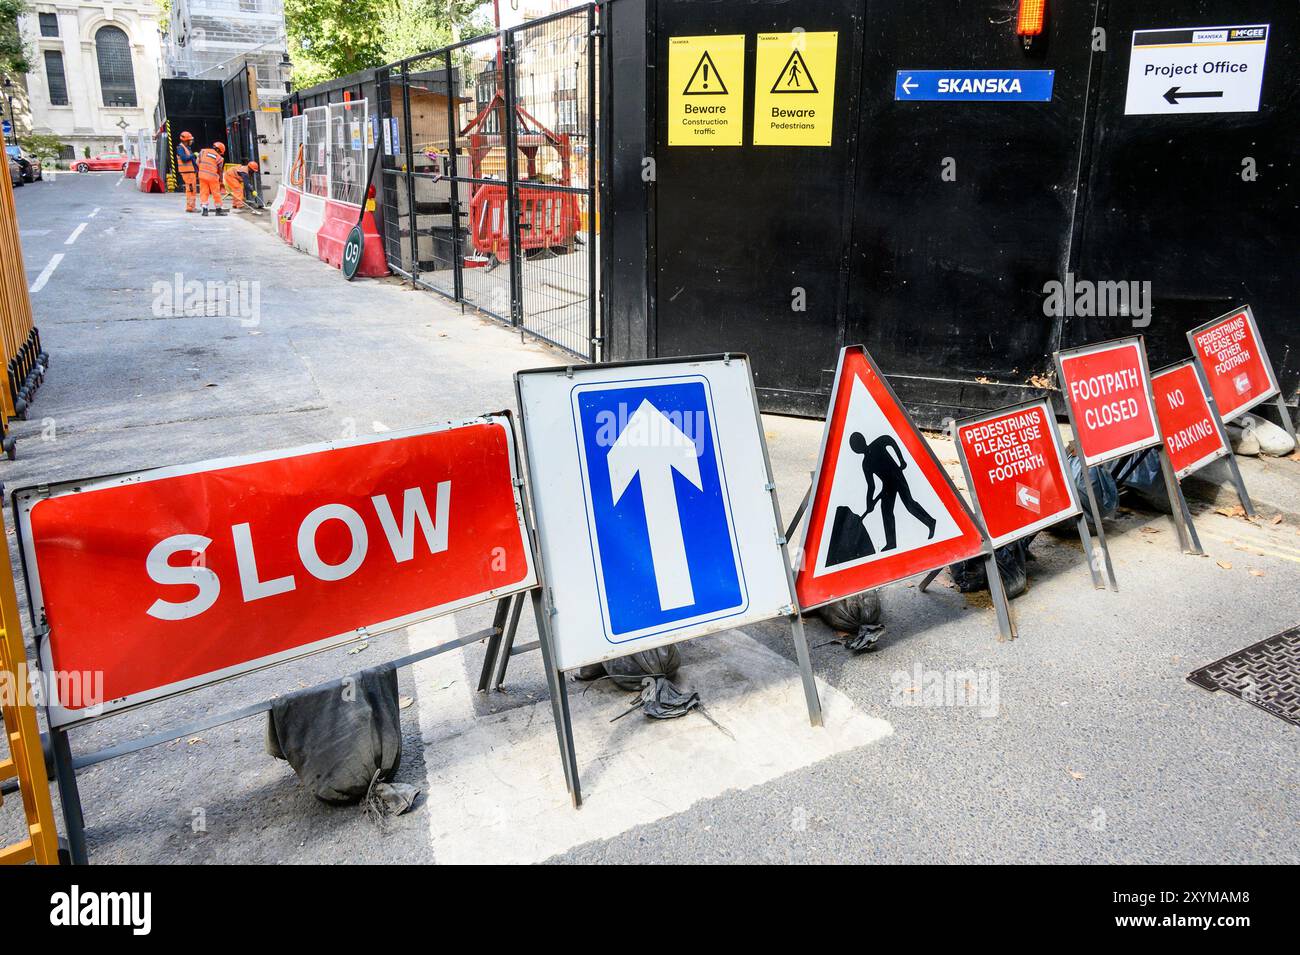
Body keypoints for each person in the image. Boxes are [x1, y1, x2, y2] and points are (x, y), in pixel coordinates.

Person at [849, 432, 936, 552]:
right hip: (887, 485)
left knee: (909, 504)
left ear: (862, 442)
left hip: (897, 476)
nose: (858, 449)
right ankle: (891, 543)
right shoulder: (866, 463)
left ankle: (931, 522)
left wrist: (901, 460)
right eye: (856, 448)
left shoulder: (877, 444)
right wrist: (869, 503)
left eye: (857, 445)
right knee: (886, 511)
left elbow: (890, 440)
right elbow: (871, 486)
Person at [196, 141, 226, 216]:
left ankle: (205, 210)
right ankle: (218, 210)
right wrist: (221, 181)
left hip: (202, 175)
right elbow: (220, 170)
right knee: (216, 193)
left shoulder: (203, 151)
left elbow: (197, 162)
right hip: (212, 177)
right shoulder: (219, 158)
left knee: (204, 192)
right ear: (219, 150)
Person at [176, 131, 199, 213]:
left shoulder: (187, 148)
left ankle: (192, 206)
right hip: (187, 172)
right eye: (190, 140)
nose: (191, 141)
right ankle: (190, 207)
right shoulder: (180, 148)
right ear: (186, 140)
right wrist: (194, 155)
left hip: (191, 172)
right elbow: (184, 158)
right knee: (190, 190)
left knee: (192, 190)